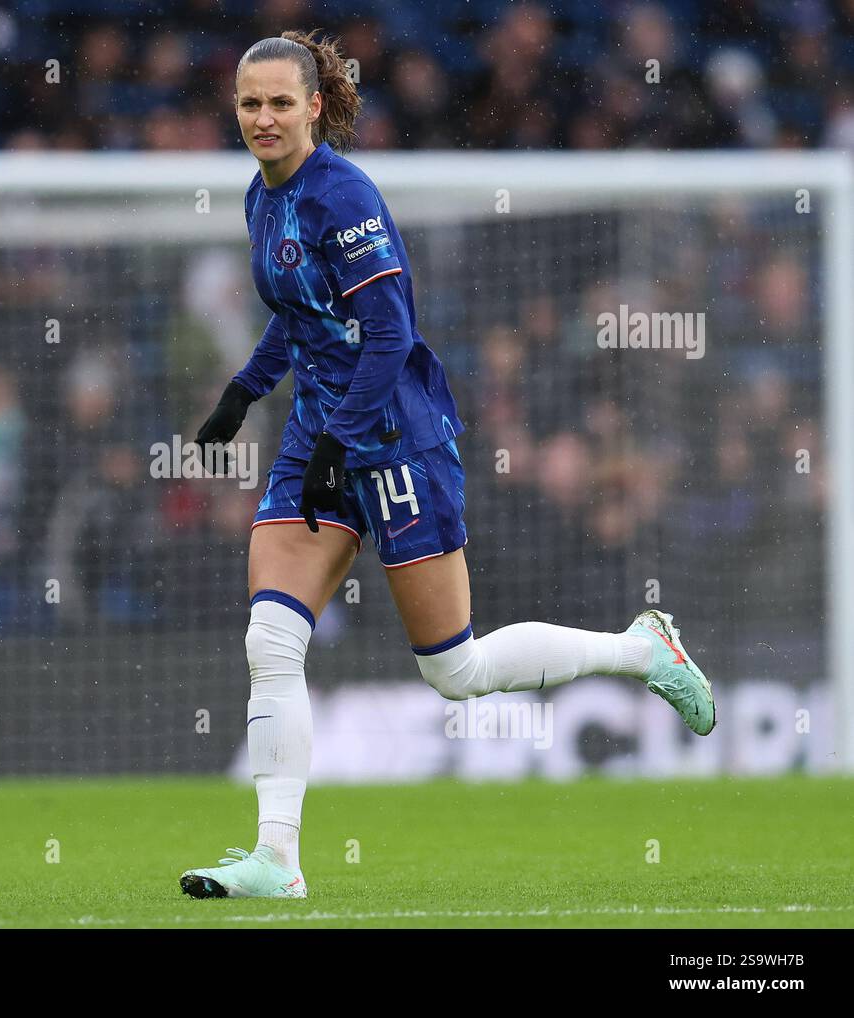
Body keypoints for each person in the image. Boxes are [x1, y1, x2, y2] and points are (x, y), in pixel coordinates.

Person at [179, 31, 715, 901]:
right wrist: (245, 391)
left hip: (391, 439)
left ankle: (640, 649)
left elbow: (389, 332)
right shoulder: (259, 198)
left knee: (453, 671)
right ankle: (276, 856)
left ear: (316, 105)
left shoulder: (343, 195)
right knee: (271, 638)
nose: (264, 118)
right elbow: (302, 311)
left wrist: (336, 445)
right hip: (320, 435)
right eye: (250, 104)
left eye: (281, 101)